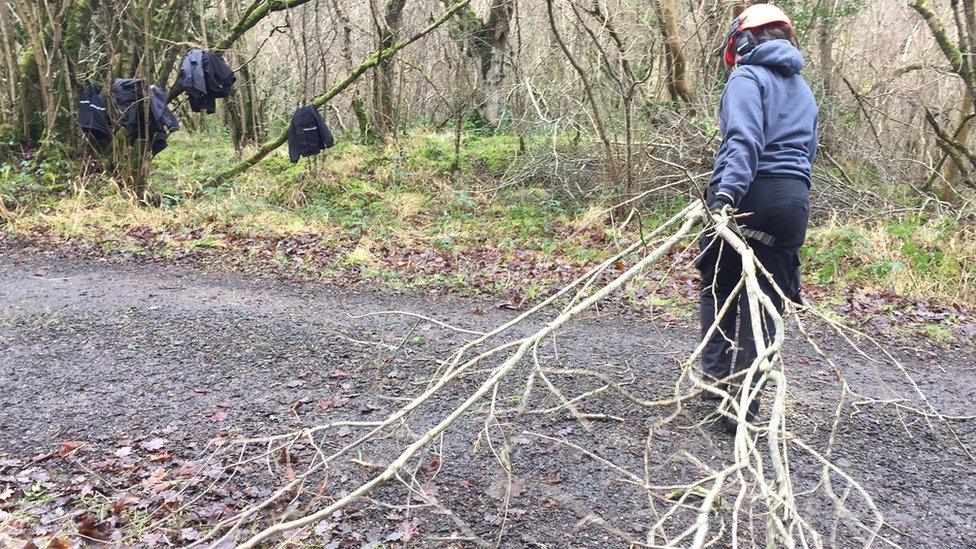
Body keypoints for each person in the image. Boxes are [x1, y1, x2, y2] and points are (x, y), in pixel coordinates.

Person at [698, 4, 819, 430]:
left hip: (751, 191)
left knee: (718, 282)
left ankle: (713, 382)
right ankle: (744, 406)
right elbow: (807, 154)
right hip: (793, 203)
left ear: (742, 42)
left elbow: (743, 139)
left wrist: (725, 195)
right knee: (764, 302)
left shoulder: (746, 77)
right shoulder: (804, 89)